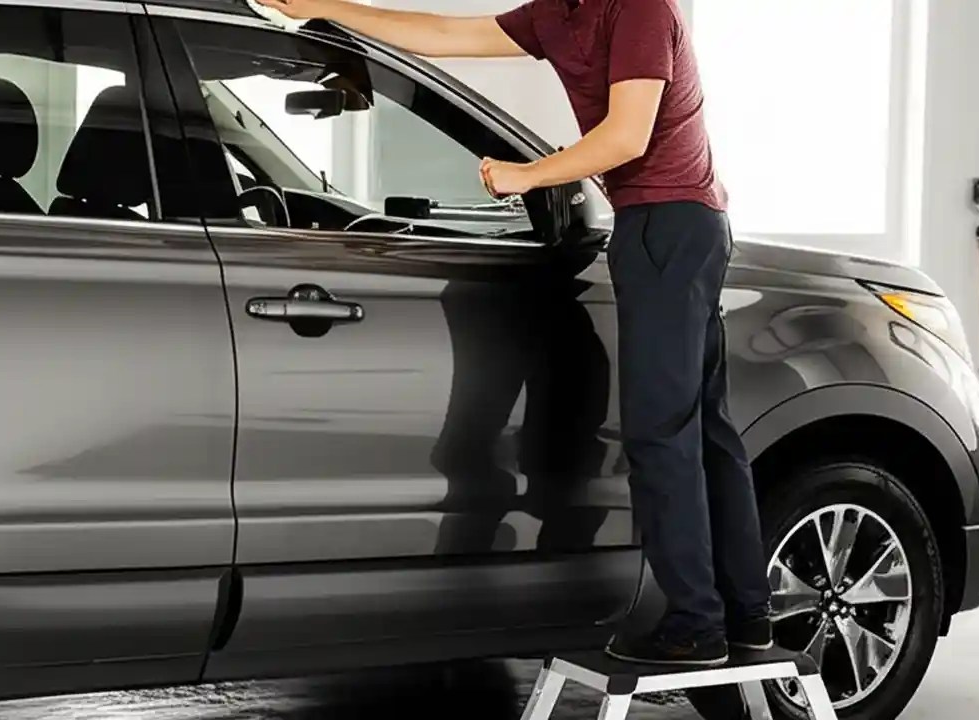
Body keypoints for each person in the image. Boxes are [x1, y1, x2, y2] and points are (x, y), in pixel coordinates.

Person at [254, 0, 773, 666]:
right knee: (703, 433)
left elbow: (627, 136)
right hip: (670, 226)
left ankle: (698, 625)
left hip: (670, 224)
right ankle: (746, 614)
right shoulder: (557, 14)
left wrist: (526, 174)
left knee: (661, 434)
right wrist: (323, 6)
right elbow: (443, 34)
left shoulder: (639, 8)